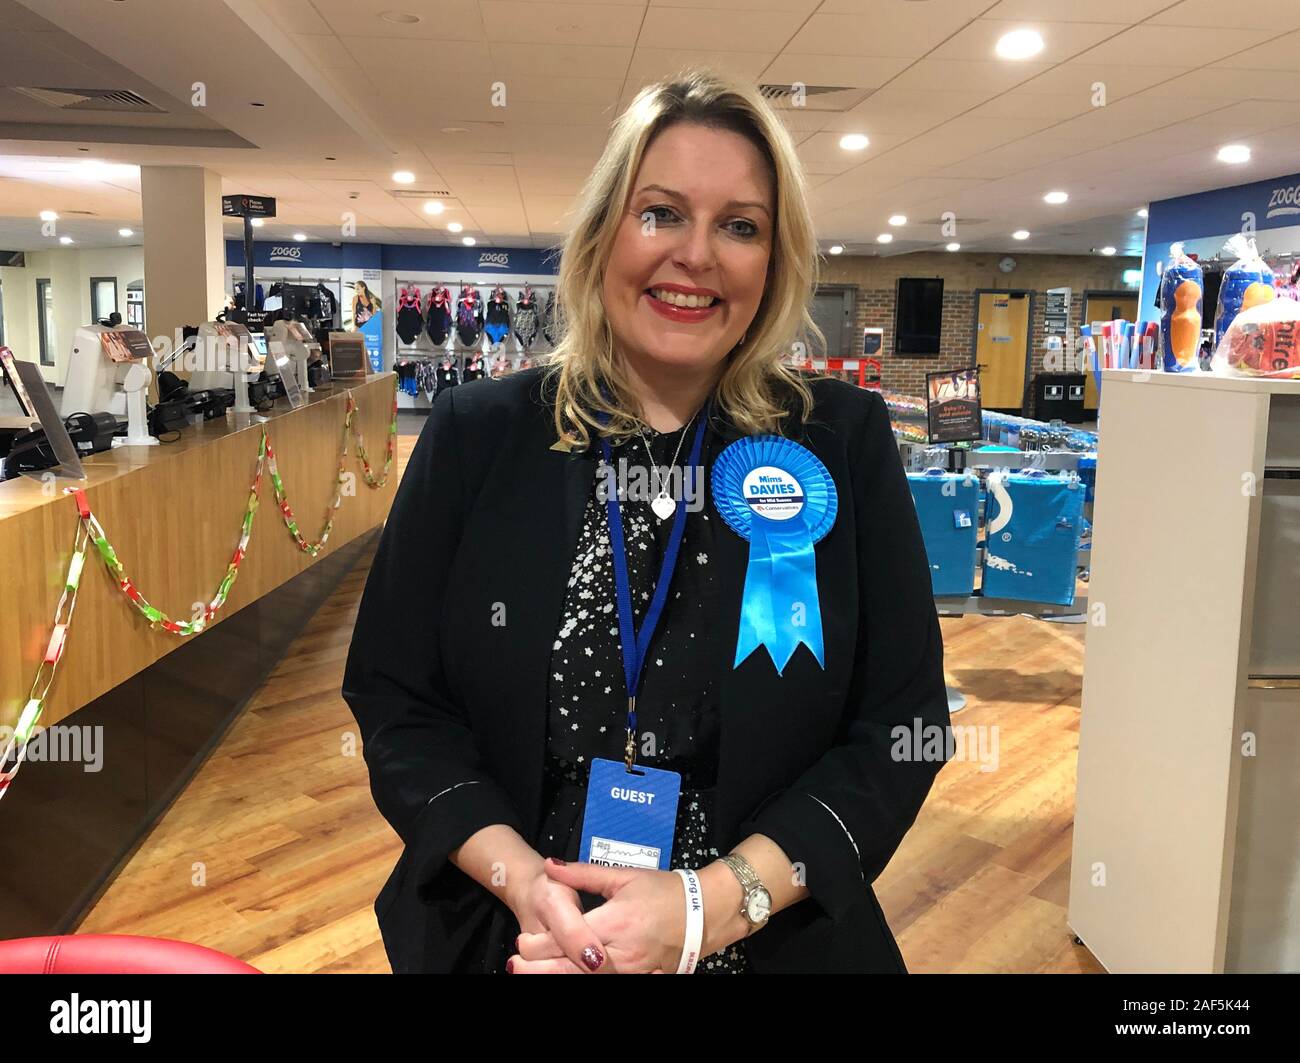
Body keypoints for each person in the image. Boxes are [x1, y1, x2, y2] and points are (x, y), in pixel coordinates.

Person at [342, 68, 950, 975]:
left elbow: (903, 728)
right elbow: (398, 700)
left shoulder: (838, 443)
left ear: (773, 261)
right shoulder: (479, 436)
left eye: (740, 226)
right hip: (522, 940)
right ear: (602, 236)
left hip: (772, 938)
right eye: (661, 212)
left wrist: (714, 905)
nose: (697, 255)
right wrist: (521, 882)